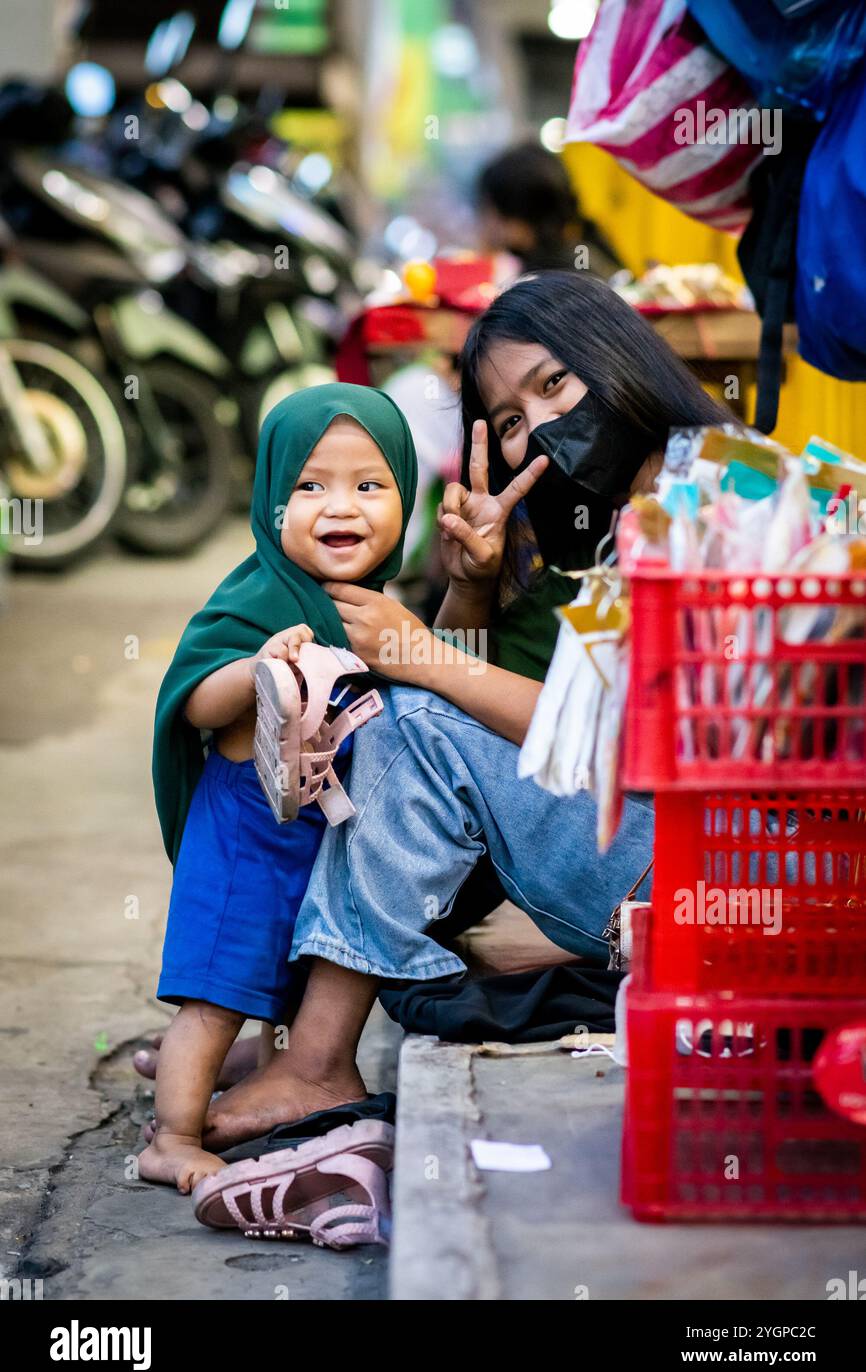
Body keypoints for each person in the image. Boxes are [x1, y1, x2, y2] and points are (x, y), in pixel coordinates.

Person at [138, 271, 735, 1152]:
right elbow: (482, 714)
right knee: (404, 721)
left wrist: (423, 654)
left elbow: (622, 740)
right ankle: (296, 1044)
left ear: (618, 357)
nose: (535, 430)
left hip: (709, 870)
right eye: (506, 422)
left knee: (402, 723)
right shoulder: (612, 525)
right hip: (656, 863)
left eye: (553, 385)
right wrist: (470, 588)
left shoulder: (709, 501)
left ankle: (314, 1061)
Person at [138, 384, 417, 1191]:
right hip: (243, 847)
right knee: (214, 999)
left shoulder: (366, 606)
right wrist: (258, 669)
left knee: (284, 992)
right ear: (270, 500)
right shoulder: (261, 594)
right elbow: (191, 694)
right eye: (310, 486)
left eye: (370, 486)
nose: (342, 507)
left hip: (307, 845)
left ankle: (269, 1077)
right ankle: (173, 1135)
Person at [477, 141, 622, 281]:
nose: (488, 222)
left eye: (490, 209)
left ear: (518, 218)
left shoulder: (562, 270)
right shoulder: (583, 240)